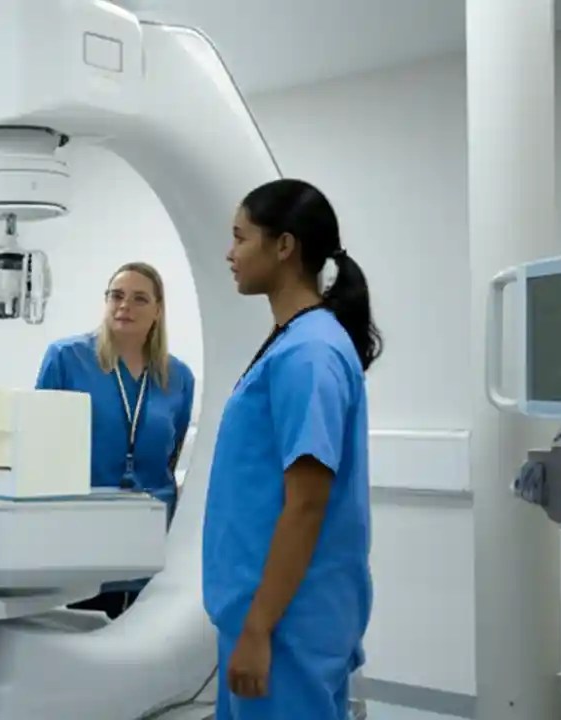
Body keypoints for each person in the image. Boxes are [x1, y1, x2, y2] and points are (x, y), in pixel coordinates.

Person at [203, 178, 379, 719]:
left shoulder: (310, 354)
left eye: (241, 238)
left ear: (284, 247)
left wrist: (259, 627)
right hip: (273, 612)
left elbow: (307, 503)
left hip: (285, 623)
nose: (230, 253)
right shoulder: (296, 341)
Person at [35, 261, 196, 619]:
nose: (125, 306)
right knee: (84, 638)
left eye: (140, 299)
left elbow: (173, 454)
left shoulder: (178, 377)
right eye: (117, 296)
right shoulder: (66, 358)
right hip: (82, 530)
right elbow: (39, 447)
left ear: (158, 310)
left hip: (150, 533)